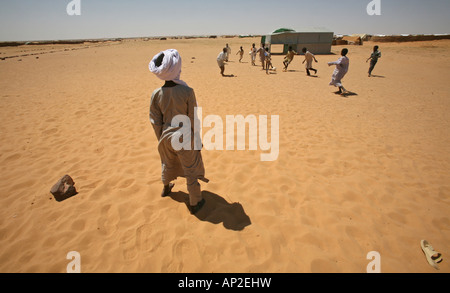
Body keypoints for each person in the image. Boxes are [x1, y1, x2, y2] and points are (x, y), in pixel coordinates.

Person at [149, 49, 208, 215]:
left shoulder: (156, 94)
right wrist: (197, 141)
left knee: (167, 162)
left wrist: (161, 138)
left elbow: (155, 120)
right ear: (177, 69)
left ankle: (166, 188)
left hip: (165, 136)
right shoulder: (187, 92)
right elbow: (193, 119)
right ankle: (195, 201)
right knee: (190, 169)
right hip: (184, 137)